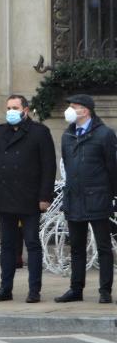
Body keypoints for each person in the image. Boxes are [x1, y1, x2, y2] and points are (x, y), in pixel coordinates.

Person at [0, 95, 56, 304]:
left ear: (25, 110)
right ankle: (5, 288)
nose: (10, 111)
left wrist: (45, 197)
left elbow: (48, 167)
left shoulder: (40, 132)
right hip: (5, 197)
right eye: (8, 108)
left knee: (32, 243)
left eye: (15, 108)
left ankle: (34, 290)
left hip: (30, 198)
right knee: (7, 245)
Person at [54, 94, 117, 304]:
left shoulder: (104, 134)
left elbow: (112, 167)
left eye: (74, 106)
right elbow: (67, 167)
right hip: (74, 199)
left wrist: (111, 195)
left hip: (98, 198)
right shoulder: (67, 136)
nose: (70, 110)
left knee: (103, 246)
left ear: (86, 110)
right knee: (77, 247)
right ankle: (75, 288)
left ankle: (105, 290)